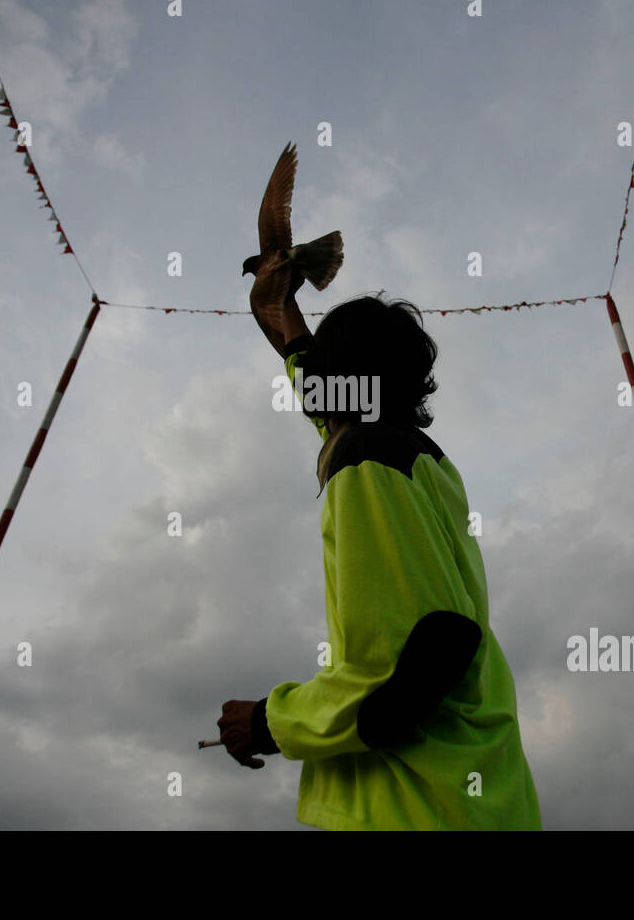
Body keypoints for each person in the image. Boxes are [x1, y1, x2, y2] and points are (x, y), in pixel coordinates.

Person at [217, 252, 541, 830]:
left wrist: (269, 721)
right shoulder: (419, 460)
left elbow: (416, 659)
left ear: (342, 381)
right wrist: (283, 303)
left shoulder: (365, 463)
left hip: (420, 807)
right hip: (480, 798)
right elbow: (318, 391)